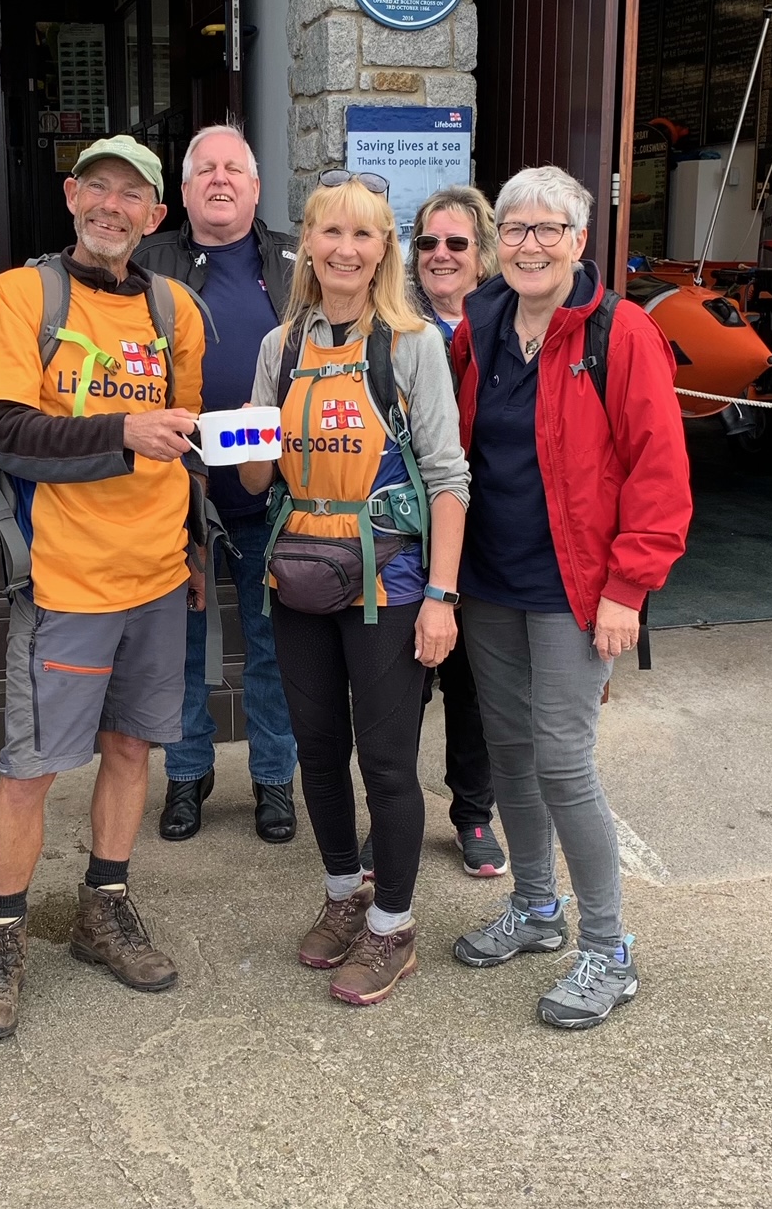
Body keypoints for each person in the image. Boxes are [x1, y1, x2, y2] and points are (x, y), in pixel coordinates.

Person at [0, 134, 206, 1042]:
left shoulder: (176, 309)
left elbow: (182, 444)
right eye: (96, 189)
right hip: (63, 579)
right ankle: (1, 937)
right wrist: (120, 433)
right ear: (70, 196)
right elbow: (7, 431)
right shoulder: (23, 295)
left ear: (155, 215)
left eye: (130, 195)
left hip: (154, 576)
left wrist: (190, 555)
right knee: (31, 770)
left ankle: (103, 911)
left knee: (133, 751)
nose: (112, 206)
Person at [448, 165, 690, 1030]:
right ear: (495, 243)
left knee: (562, 760)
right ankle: (537, 910)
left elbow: (660, 473)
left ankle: (609, 948)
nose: (530, 245)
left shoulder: (618, 334)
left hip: (577, 592)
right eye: (514, 229)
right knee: (509, 753)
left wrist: (630, 588)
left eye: (550, 229)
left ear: (581, 243)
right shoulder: (477, 331)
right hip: (489, 582)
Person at [240, 172, 469, 1008]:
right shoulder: (281, 346)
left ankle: (393, 928)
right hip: (299, 572)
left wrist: (441, 597)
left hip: (392, 583)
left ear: (385, 251)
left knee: (388, 763)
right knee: (317, 757)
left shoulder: (413, 343)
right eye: (330, 234)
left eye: (363, 235)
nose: (345, 249)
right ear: (308, 244)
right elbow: (262, 478)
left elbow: (449, 478)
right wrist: (241, 439)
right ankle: (345, 897)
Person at [134, 124, 300, 845]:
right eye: (206, 170)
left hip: (277, 495)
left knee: (273, 646)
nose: (221, 180)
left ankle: (273, 780)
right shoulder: (147, 262)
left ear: (257, 188)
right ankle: (186, 774)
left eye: (236, 168)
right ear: (185, 189)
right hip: (178, 496)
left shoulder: (295, 260)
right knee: (181, 647)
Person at [375, 185, 506, 878]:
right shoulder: (391, 326)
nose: (441, 255)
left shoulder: (507, 330)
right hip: (404, 537)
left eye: (456, 243)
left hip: (485, 537)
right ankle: (394, 816)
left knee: (472, 688)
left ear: (482, 253)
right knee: (399, 688)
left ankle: (473, 814)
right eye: (427, 243)